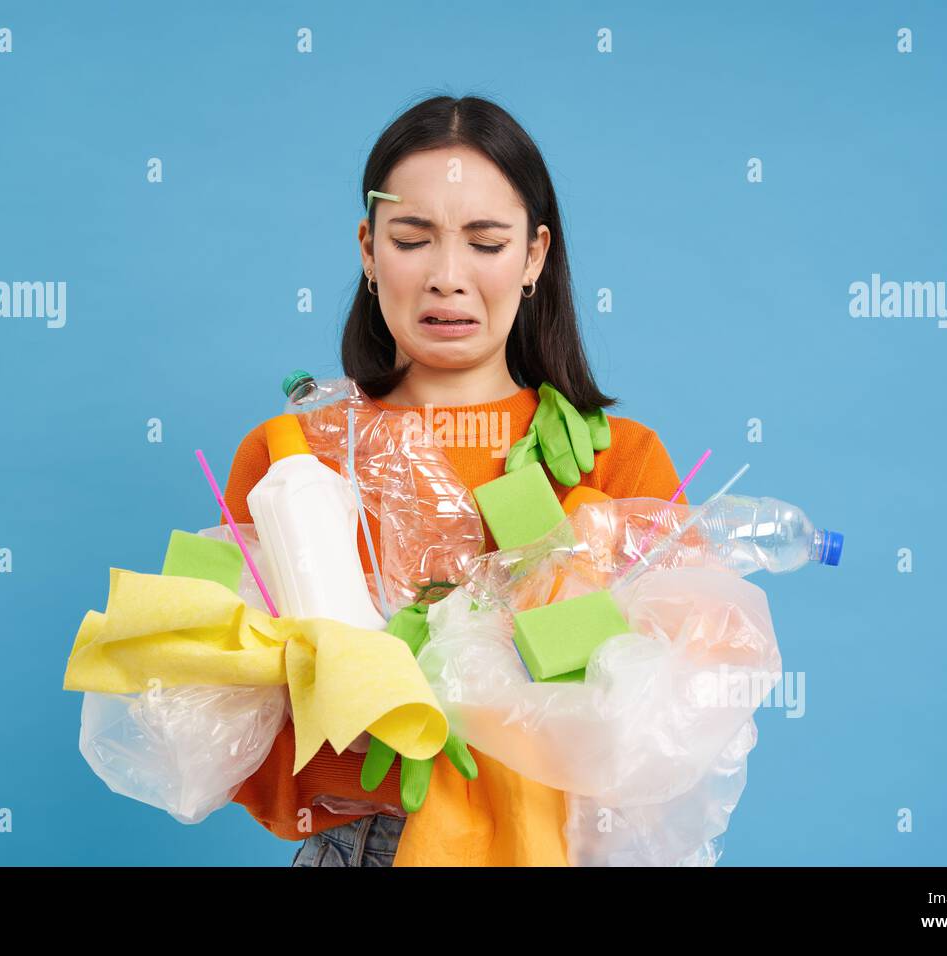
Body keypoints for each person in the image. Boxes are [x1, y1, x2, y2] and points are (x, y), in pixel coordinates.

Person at [221, 93, 685, 867]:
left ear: (533, 257)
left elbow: (678, 710)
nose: (447, 277)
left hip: (555, 846)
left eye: (486, 242)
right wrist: (341, 708)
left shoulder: (616, 462)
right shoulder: (293, 456)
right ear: (369, 251)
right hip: (363, 843)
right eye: (412, 239)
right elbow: (222, 698)